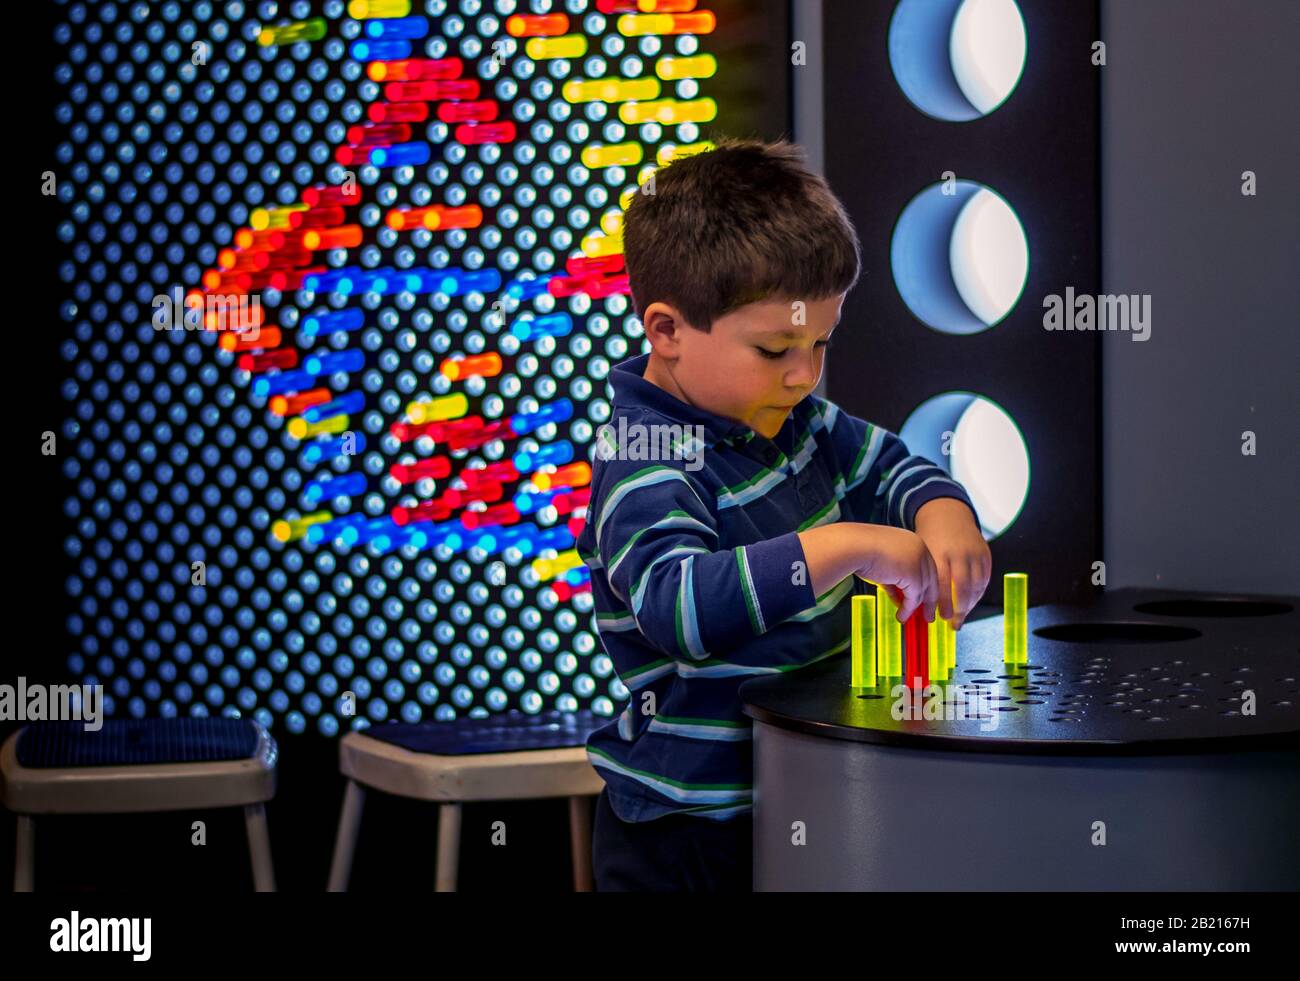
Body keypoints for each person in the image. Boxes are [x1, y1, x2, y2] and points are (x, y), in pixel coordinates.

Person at [578, 138, 992, 891]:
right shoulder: (644, 454)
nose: (803, 374)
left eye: (820, 343)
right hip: (689, 833)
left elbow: (895, 466)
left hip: (807, 791)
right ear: (666, 331)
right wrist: (840, 547)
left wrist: (943, 512)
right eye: (774, 349)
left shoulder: (801, 419)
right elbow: (681, 609)